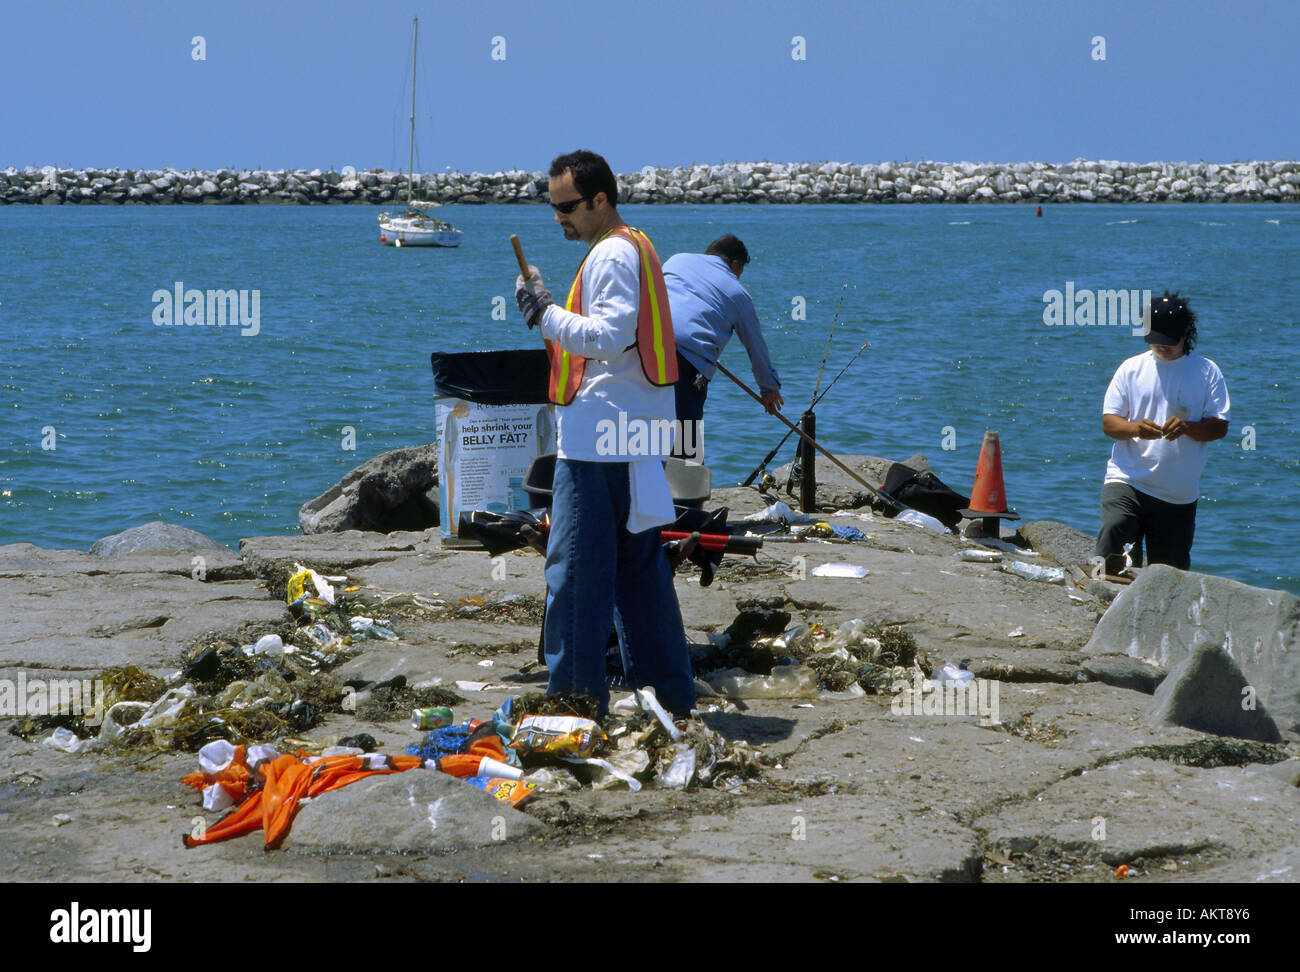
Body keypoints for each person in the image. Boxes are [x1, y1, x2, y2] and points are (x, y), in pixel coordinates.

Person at [514, 149, 696, 717]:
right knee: (639, 572)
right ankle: (670, 699)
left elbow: (611, 336)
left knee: (575, 575)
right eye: (552, 207)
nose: (558, 217)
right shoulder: (633, 244)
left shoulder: (612, 253)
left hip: (599, 441)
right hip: (636, 435)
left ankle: (574, 704)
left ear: (601, 200)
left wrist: (543, 313)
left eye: (567, 207)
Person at [1096, 292, 1230, 574]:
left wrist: (1188, 428)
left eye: (1168, 341)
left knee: (1169, 578)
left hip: (1177, 495)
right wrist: (1135, 429)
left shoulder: (1207, 372)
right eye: (1155, 339)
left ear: (1185, 332)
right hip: (1128, 479)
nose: (1161, 347)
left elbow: (1219, 427)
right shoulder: (1131, 368)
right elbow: (1110, 423)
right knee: (1114, 536)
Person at [663, 235, 783, 460]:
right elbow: (755, 345)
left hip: (645, 347)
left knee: (642, 433)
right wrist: (768, 388)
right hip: (687, 364)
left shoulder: (676, 260)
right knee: (686, 445)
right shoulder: (738, 294)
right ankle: (684, 493)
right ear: (735, 264)